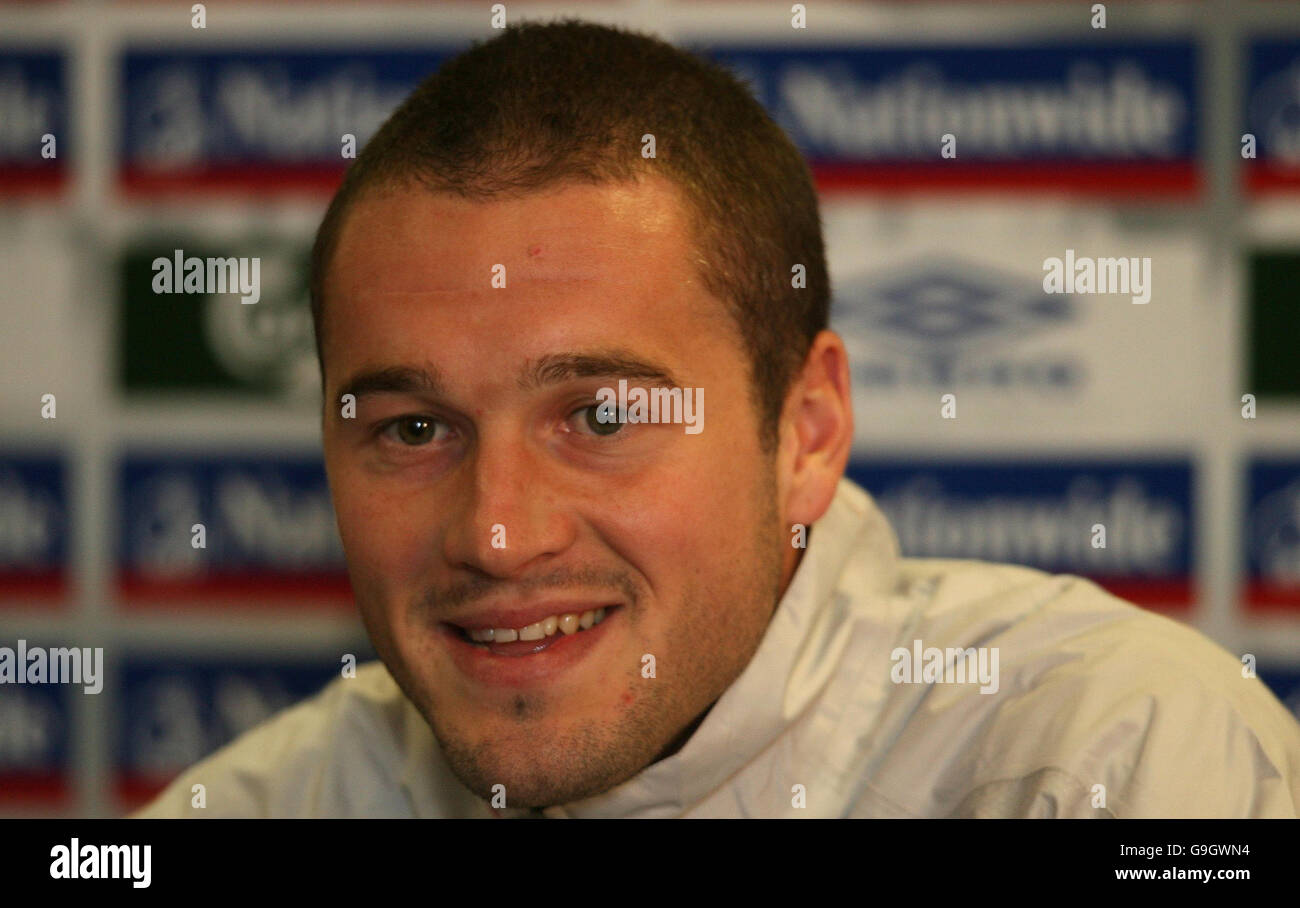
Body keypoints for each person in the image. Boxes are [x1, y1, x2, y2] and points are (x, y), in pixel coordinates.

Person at [134, 19, 1300, 818]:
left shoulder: (1113, 760)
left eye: (599, 414)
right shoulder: (266, 802)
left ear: (804, 430)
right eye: (412, 429)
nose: (497, 533)